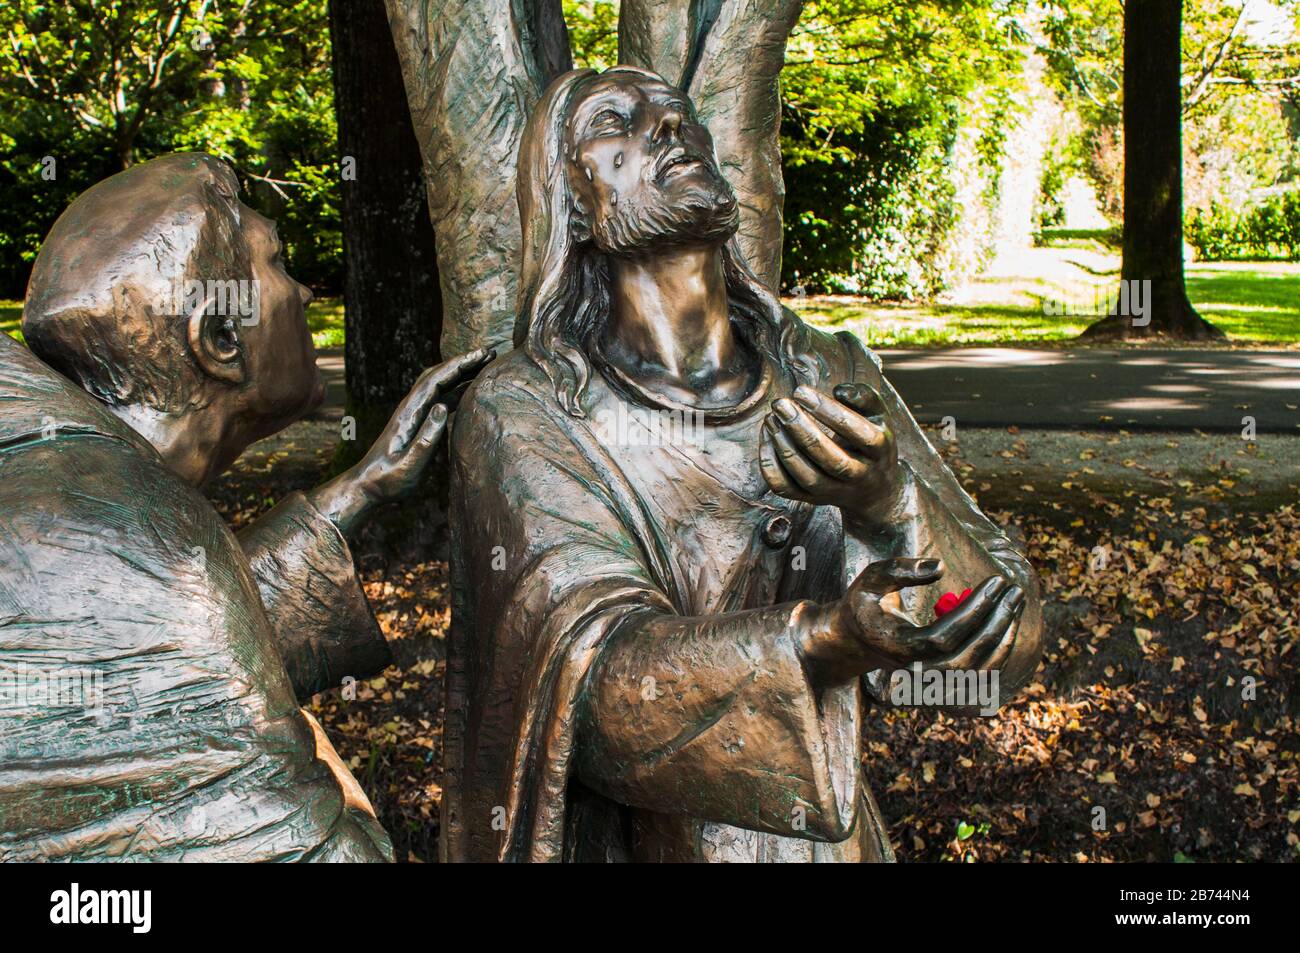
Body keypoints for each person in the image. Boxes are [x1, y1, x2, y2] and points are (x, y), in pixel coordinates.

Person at [443, 67, 1043, 862]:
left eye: (677, 111)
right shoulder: (528, 410)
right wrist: (824, 638)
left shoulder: (824, 370)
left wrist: (891, 506)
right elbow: (594, 693)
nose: (666, 127)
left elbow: (1005, 640)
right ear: (572, 204)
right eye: (614, 123)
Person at [0, 153, 487, 861]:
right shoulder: (136, 545)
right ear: (220, 340)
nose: (303, 288)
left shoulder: (78, 495)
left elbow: (149, 684)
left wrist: (362, 488)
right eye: (282, 263)